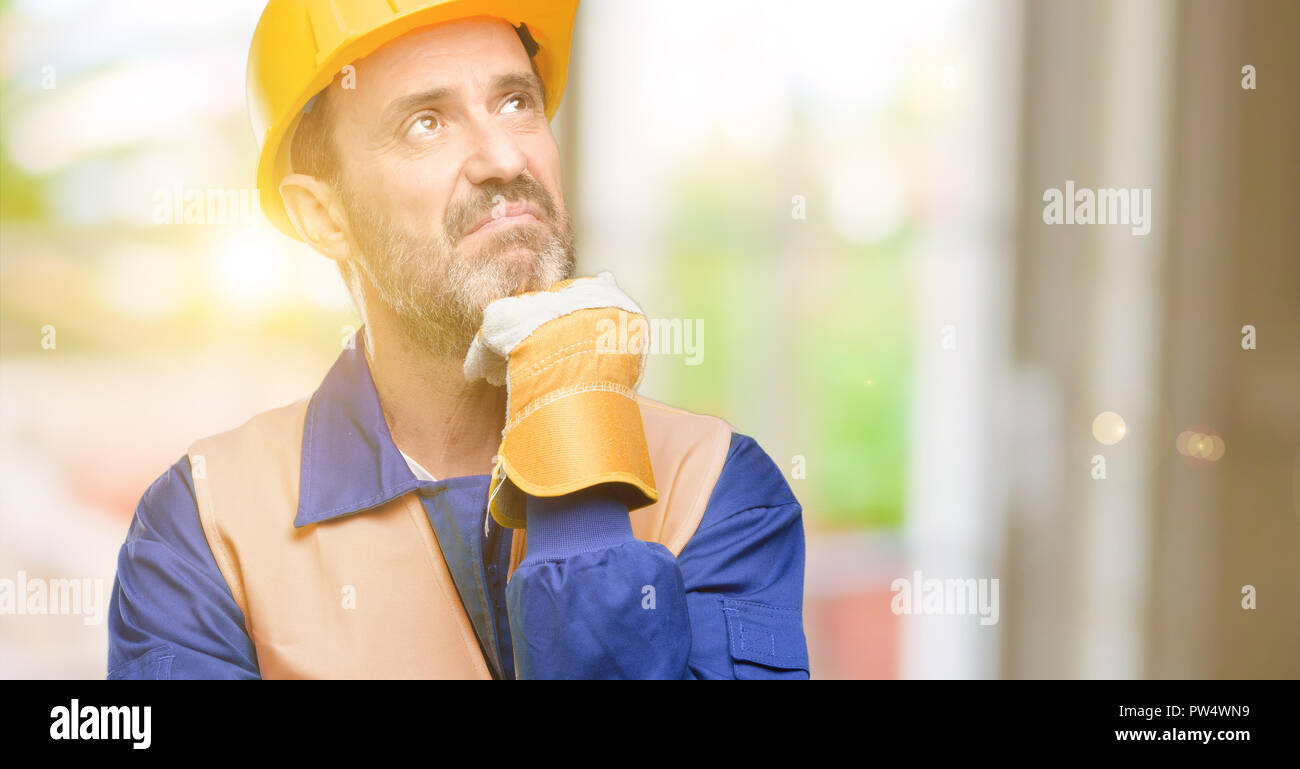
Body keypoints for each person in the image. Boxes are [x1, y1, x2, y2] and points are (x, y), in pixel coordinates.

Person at [107, 0, 810, 679]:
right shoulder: (206, 531)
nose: (504, 157)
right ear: (324, 215)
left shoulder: (715, 486)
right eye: (425, 123)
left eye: (516, 102)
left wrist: (573, 426)